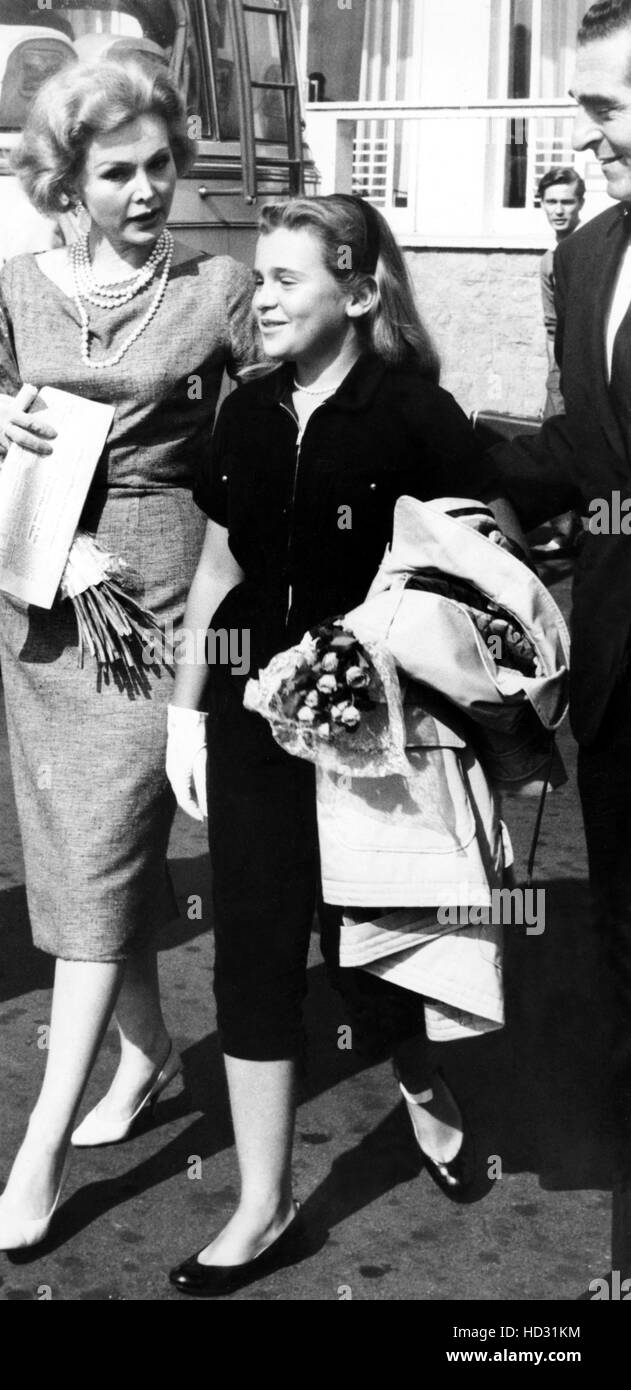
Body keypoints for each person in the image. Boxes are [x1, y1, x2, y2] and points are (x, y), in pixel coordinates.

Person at [164, 195, 526, 1297]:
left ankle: (418, 1082)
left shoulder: (417, 415)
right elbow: (219, 569)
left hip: (380, 728)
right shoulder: (244, 412)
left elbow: (484, 566)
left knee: (366, 943)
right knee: (255, 951)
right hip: (252, 722)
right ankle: (264, 1206)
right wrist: (189, 703)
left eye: (283, 279)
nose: (258, 297)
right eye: (256, 277)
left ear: (359, 292)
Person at [0, 59, 261, 1251]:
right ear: (64, 182)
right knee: (79, 854)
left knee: (103, 849)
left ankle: (39, 1150)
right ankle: (150, 1054)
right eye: (115, 170)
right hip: (41, 596)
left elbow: (286, 413)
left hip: (160, 598)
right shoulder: (17, 284)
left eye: (159, 165)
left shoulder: (216, 287)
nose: (145, 188)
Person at [489, 0, 631, 1283]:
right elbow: (578, 456)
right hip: (622, 673)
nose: (594, 133)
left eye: (613, 106)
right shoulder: (587, 254)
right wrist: (429, 443)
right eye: (589, 107)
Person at [538, 166, 586, 420]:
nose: (558, 210)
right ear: (542, 204)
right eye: (551, 202)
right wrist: (555, 380)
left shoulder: (592, 253)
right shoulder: (549, 261)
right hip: (561, 375)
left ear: (580, 203)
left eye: (567, 202)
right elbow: (552, 327)